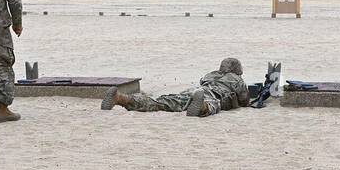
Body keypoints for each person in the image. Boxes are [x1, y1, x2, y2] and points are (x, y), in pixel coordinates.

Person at [101, 58, 249, 117]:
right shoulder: (237, 79)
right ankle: (202, 105)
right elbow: (244, 101)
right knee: (212, 105)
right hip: (214, 94)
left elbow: (203, 82)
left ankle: (121, 98)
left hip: (193, 90)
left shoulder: (210, 75)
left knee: (163, 102)